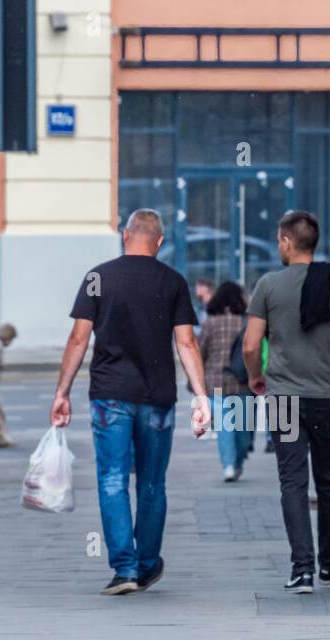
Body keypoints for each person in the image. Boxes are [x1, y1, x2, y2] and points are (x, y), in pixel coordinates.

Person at [51, 209, 211, 595]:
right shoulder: (173, 282)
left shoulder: (97, 278)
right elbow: (186, 342)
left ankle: (124, 568)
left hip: (110, 396)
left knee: (112, 480)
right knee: (153, 484)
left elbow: (78, 339)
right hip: (157, 398)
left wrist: (62, 392)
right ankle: (146, 564)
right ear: (159, 242)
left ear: (126, 236)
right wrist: (202, 395)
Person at [243, 210, 330, 594]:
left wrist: (255, 376)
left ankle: (302, 570)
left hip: (282, 398)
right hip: (329, 397)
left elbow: (250, 344)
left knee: (292, 482)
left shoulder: (268, 285)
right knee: (329, 482)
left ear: (285, 241)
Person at [197, 281, 252, 481]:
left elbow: (200, 352)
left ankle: (229, 465)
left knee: (224, 427)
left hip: (216, 381)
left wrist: (196, 380)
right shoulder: (246, 322)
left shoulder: (209, 322)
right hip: (243, 381)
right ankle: (236, 461)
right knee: (243, 427)